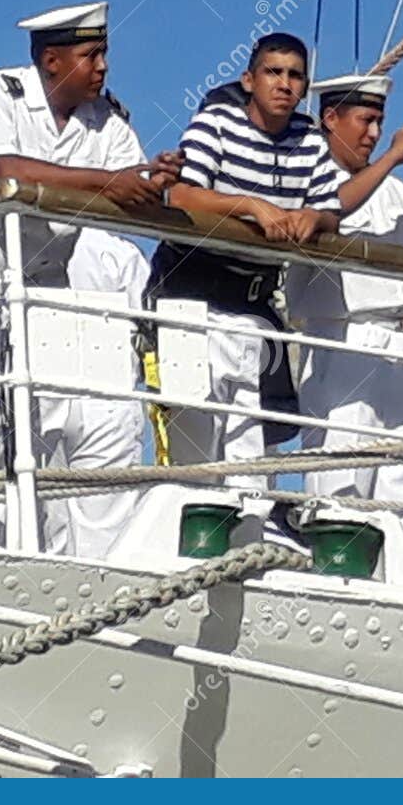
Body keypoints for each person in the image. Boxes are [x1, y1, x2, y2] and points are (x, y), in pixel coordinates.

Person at [0, 1, 172, 542]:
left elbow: (131, 186)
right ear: (50, 60)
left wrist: (155, 181)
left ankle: (59, 545)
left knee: (57, 408)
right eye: (91, 55)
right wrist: (109, 182)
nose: (103, 66)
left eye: (104, 53)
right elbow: (6, 169)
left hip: (48, 280)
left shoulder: (106, 120)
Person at [285, 74, 403, 587]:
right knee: (343, 477)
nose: (374, 133)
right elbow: (332, 206)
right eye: (366, 121)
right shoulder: (308, 177)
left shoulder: (396, 193)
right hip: (345, 339)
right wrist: (393, 156)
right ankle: (337, 582)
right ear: (330, 119)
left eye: (380, 123)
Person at [147, 33, 340, 487]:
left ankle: (249, 519)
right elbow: (182, 195)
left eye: (295, 76)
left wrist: (314, 217)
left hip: (253, 304)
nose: (284, 84)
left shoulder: (309, 142)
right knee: (194, 445)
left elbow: (330, 210)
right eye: (274, 72)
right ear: (249, 80)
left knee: (250, 450)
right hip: (190, 291)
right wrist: (252, 206)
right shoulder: (217, 123)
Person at [38, 226, 152, 558]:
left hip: (41, 390)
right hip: (109, 391)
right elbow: (149, 328)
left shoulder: (23, 245)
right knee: (105, 538)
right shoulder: (119, 252)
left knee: (42, 526)